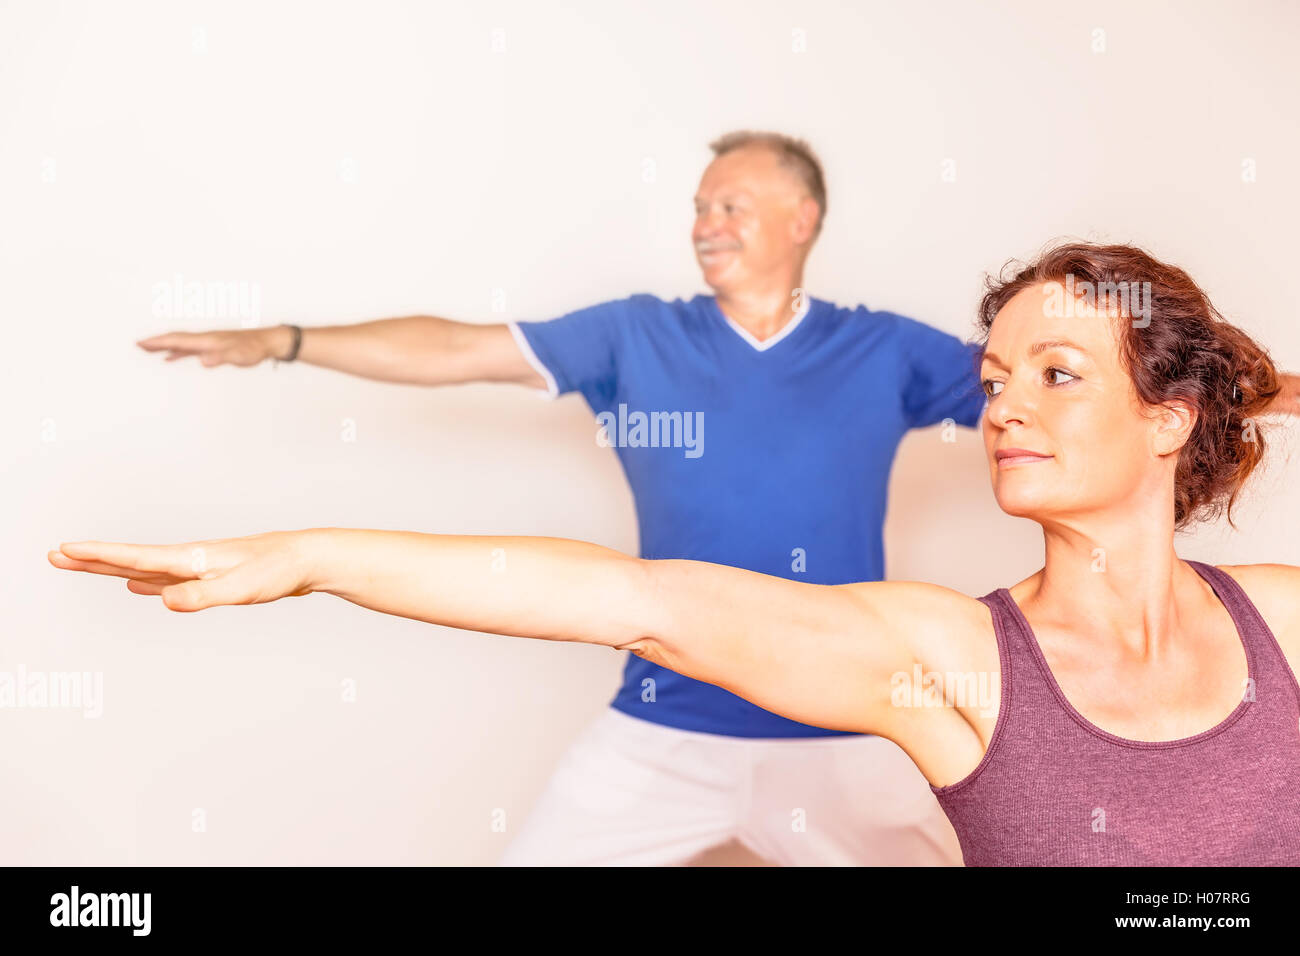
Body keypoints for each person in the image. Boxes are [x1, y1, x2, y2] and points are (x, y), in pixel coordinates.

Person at [56, 241, 1300, 865]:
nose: (1004, 405)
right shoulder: (948, 658)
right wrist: (312, 550)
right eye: (992, 378)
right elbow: (629, 598)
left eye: (1055, 373)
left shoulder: (1283, 623)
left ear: (1168, 417)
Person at [133, 131, 996, 867]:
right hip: (667, 721)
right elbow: (452, 350)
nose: (706, 225)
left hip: (847, 726)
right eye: (699, 207)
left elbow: (1040, 399)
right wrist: (285, 340)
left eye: (731, 205)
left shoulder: (885, 351)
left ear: (801, 220)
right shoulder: (634, 335)